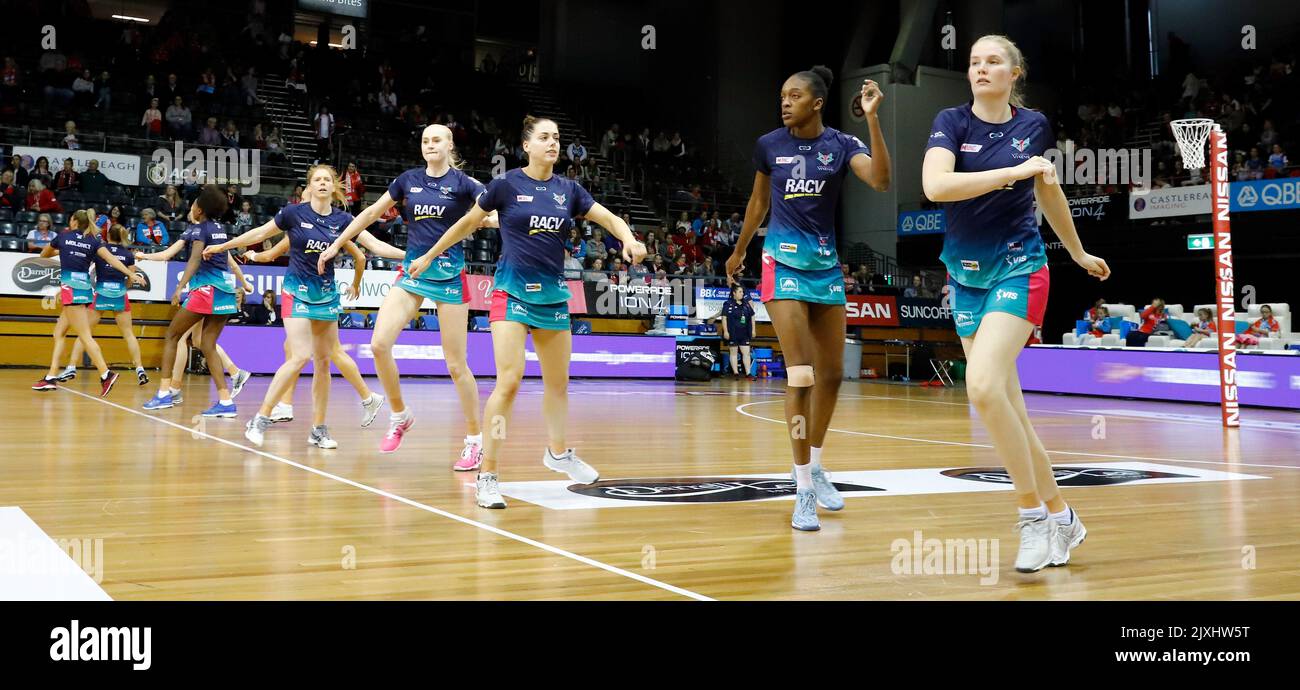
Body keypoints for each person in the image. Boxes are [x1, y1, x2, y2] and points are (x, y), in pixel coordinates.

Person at [921, 35, 1110, 572]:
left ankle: (1030, 517)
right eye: (975, 61)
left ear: (1014, 72)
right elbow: (936, 186)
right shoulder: (950, 122)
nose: (981, 68)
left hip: (1020, 269)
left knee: (980, 386)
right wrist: (1015, 173)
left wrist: (1075, 251)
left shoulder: (1034, 126)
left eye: (993, 61)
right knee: (1015, 418)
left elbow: (1048, 190)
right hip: (965, 276)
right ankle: (1063, 516)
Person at [408, 115, 646, 509]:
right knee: (510, 382)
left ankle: (557, 453)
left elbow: (609, 218)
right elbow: (466, 225)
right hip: (510, 294)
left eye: (556, 137)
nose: (553, 143)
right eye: (545, 137)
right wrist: (429, 256)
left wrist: (630, 239)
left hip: (552, 297)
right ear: (527, 146)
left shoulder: (569, 190)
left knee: (558, 385)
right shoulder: (505, 185)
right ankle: (489, 474)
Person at [726, 66, 891, 532]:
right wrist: (740, 249)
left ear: (816, 103)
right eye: (782, 95)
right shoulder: (768, 145)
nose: (784, 102)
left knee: (833, 375)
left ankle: (815, 467)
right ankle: (801, 490)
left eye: (794, 95)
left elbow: (880, 180)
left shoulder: (842, 145)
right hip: (782, 262)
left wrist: (873, 120)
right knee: (801, 374)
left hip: (825, 266)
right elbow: (758, 203)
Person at [317, 124, 498, 458]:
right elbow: (371, 213)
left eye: (437, 140)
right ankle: (400, 415)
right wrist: (336, 244)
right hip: (413, 272)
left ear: (449, 145)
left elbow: (495, 214)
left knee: (457, 365)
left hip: (449, 275)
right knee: (379, 344)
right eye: (426, 140)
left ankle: (475, 440)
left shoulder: (465, 184)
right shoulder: (408, 179)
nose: (430, 144)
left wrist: (487, 219)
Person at [205, 164, 382, 449]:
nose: (322, 183)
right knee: (299, 355)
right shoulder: (293, 213)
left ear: (333, 186)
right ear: (309, 187)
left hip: (326, 295)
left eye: (327, 179)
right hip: (295, 291)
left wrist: (414, 258)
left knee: (324, 363)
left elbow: (370, 249)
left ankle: (319, 429)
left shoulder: (343, 219)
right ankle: (260, 418)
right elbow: (260, 233)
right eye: (317, 180)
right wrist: (225, 246)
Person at [140, 185, 249, 417]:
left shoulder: (200, 230)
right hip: (226, 292)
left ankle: (163, 394)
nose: (191, 207)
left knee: (172, 336)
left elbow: (194, 260)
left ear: (199, 210)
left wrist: (179, 288)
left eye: (193, 204)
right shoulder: (219, 229)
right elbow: (167, 254)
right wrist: (144, 256)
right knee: (207, 344)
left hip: (206, 291)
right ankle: (226, 401)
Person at [32, 210, 140, 395]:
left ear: (73, 221)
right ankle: (51, 377)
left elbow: (44, 254)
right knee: (59, 332)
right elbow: (112, 260)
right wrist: (130, 273)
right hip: (83, 290)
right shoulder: (93, 241)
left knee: (85, 336)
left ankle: (106, 374)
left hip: (71, 291)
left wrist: (63, 249)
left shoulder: (63, 237)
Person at [65, 224, 149, 385]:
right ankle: (140, 369)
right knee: (129, 334)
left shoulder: (100, 250)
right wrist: (124, 288)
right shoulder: (128, 254)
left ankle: (71, 367)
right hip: (120, 294)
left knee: (85, 333)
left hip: (101, 293)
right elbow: (130, 278)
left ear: (107, 235)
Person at [719, 285, 756, 379]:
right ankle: (736, 373)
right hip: (733, 332)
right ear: (734, 293)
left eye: (742, 292)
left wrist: (753, 330)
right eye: (740, 292)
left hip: (744, 333)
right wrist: (726, 331)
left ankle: (748, 373)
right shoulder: (727, 304)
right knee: (733, 353)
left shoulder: (746, 304)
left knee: (746, 353)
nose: (742, 294)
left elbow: (752, 316)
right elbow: (724, 318)